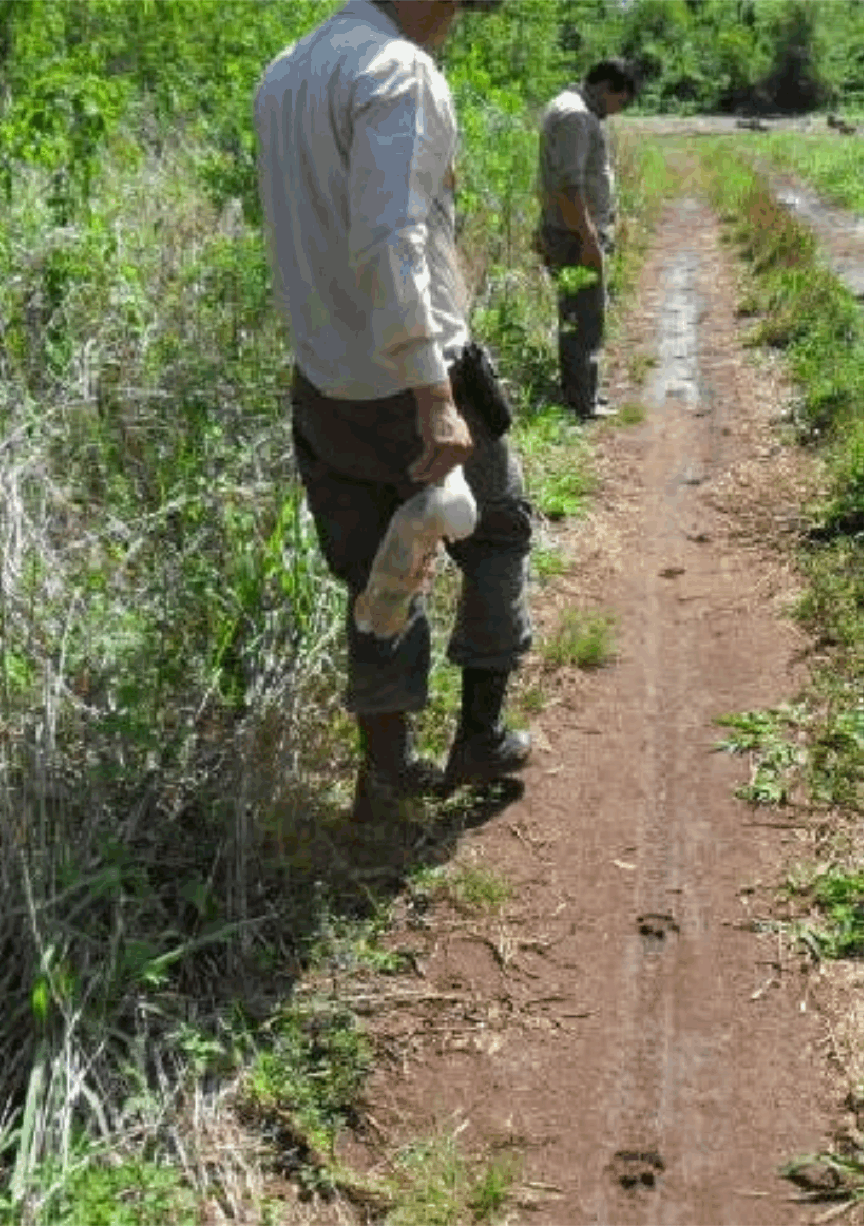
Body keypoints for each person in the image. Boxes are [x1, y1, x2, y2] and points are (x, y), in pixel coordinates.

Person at [254, 0, 532, 824]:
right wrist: (436, 399)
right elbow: (390, 241)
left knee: (377, 572)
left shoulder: (288, 70)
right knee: (498, 532)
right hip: (410, 382)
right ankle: (478, 737)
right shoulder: (396, 70)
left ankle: (385, 776)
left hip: (324, 384)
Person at [536, 58, 638, 421]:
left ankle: (582, 394)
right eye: (620, 101)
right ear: (605, 88)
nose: (618, 110)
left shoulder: (565, 106)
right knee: (584, 318)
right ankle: (582, 402)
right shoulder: (577, 116)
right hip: (575, 235)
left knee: (576, 315)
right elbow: (570, 185)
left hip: (568, 231)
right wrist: (589, 237)